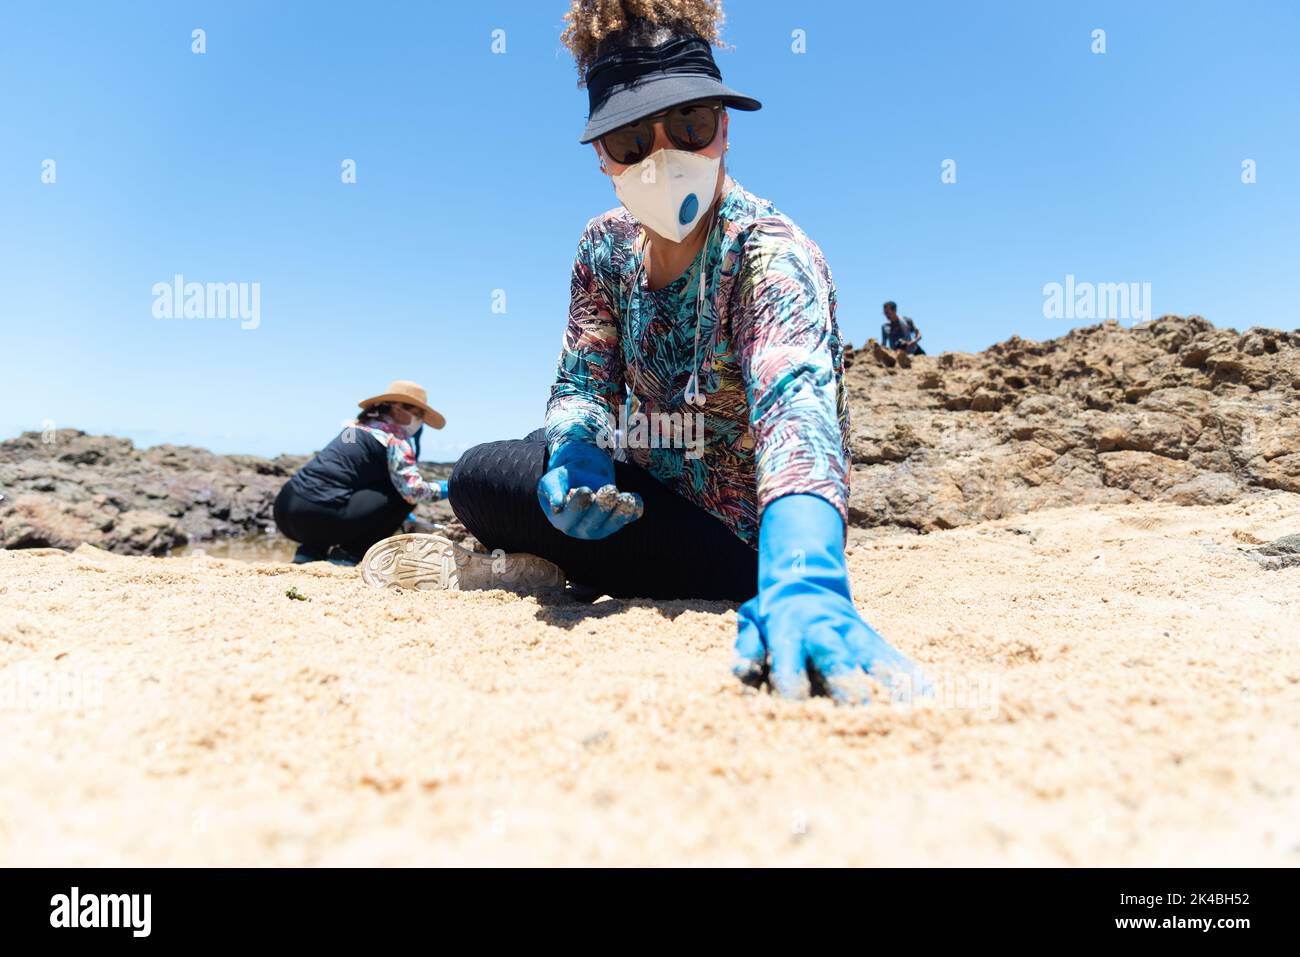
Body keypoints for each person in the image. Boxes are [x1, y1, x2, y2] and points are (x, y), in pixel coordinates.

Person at [360, 0, 928, 704]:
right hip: (640, 485)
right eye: (632, 139)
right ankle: (565, 549)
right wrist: (577, 451)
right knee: (494, 467)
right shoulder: (604, 248)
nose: (665, 157)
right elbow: (582, 382)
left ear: (724, 125)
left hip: (742, 539)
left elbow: (796, 409)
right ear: (602, 156)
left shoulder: (768, 256)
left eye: (690, 124)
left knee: (489, 477)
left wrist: (805, 576)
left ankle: (564, 565)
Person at [273, 380, 448, 566]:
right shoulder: (395, 439)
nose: (420, 422)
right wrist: (451, 486)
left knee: (345, 489)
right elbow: (414, 491)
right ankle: (348, 554)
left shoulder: (354, 428)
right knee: (401, 498)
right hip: (317, 519)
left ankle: (309, 552)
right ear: (397, 409)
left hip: (284, 510)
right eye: (419, 414)